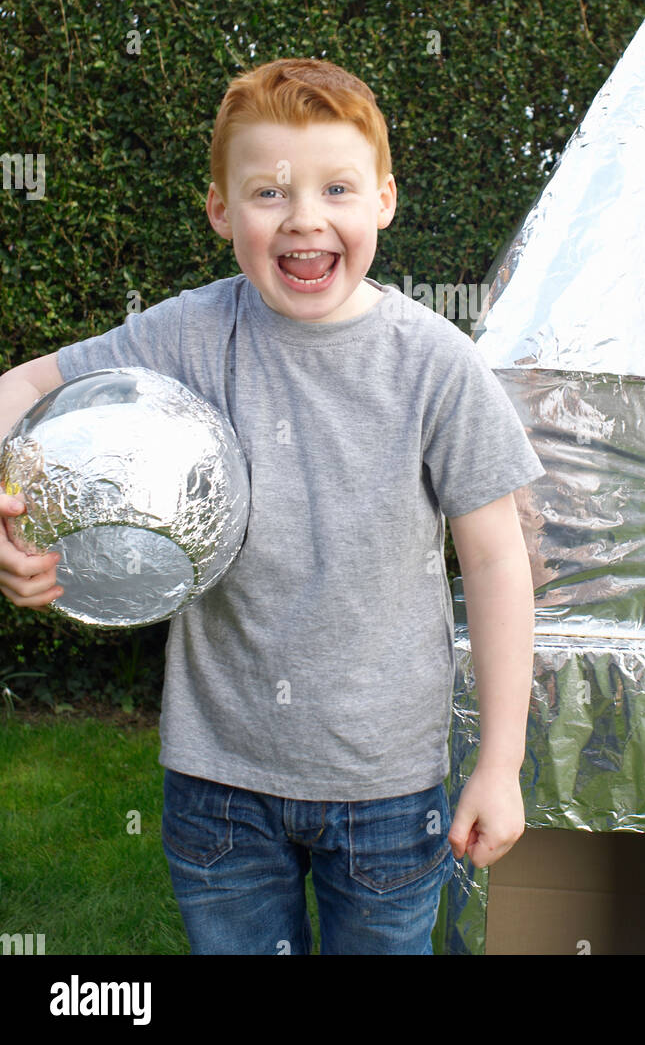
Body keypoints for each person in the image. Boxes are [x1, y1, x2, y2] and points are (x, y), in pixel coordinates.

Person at [0, 57, 546, 955]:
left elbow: (495, 562)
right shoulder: (185, 333)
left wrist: (499, 763)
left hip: (388, 792)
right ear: (220, 210)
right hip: (218, 784)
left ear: (384, 201)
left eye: (337, 186)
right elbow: (22, 386)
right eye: (268, 191)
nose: (304, 217)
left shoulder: (435, 366)